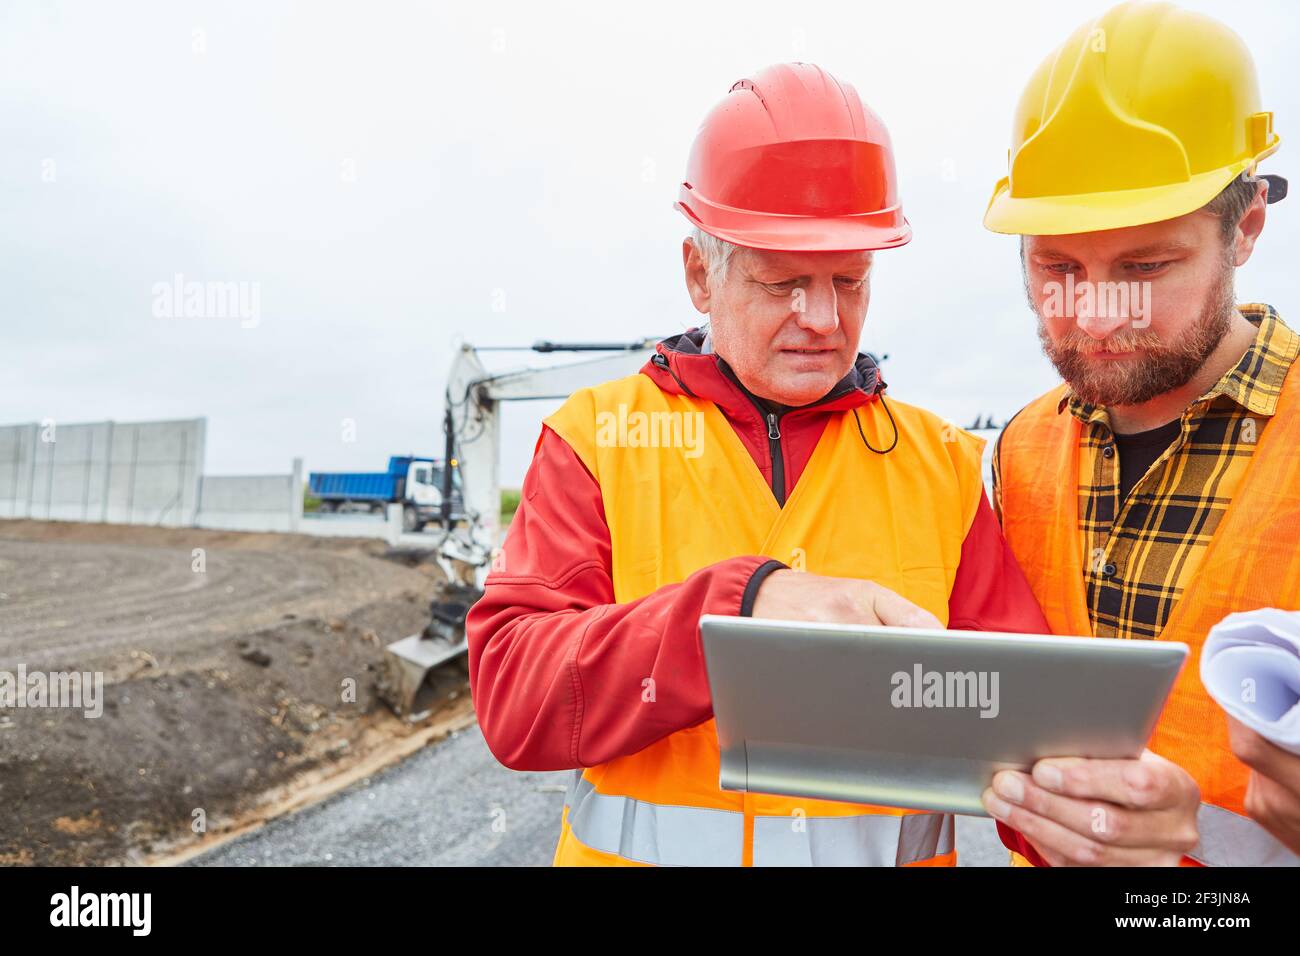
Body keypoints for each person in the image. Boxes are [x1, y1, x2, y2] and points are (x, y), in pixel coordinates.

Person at [466, 62, 1048, 866]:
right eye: (782, 281)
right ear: (700, 273)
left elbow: (1026, 731)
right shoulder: (598, 439)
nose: (821, 318)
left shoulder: (942, 466)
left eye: (850, 279)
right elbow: (515, 701)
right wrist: (733, 616)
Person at [983, 0, 1299, 866]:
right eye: (1056, 267)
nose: (1094, 314)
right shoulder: (1017, 452)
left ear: (1246, 229)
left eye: (1144, 267)